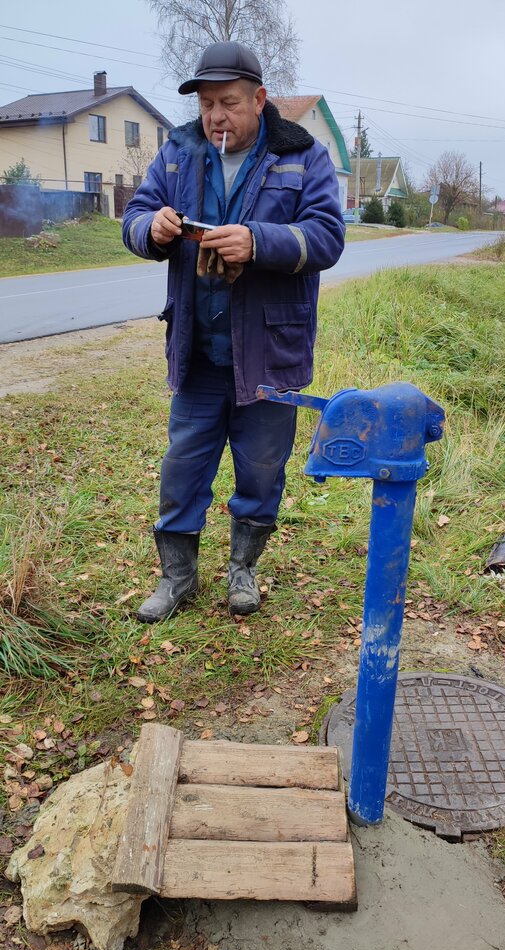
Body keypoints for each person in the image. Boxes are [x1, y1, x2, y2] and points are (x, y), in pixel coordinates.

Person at [122, 40, 345, 624]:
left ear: (260, 99)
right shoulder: (177, 153)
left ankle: (243, 569)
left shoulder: (302, 156)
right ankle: (177, 578)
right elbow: (134, 219)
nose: (215, 117)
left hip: (271, 353)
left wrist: (258, 241)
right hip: (198, 351)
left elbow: (326, 238)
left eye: (228, 103)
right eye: (206, 105)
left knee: (263, 468)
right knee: (183, 466)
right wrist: (156, 227)